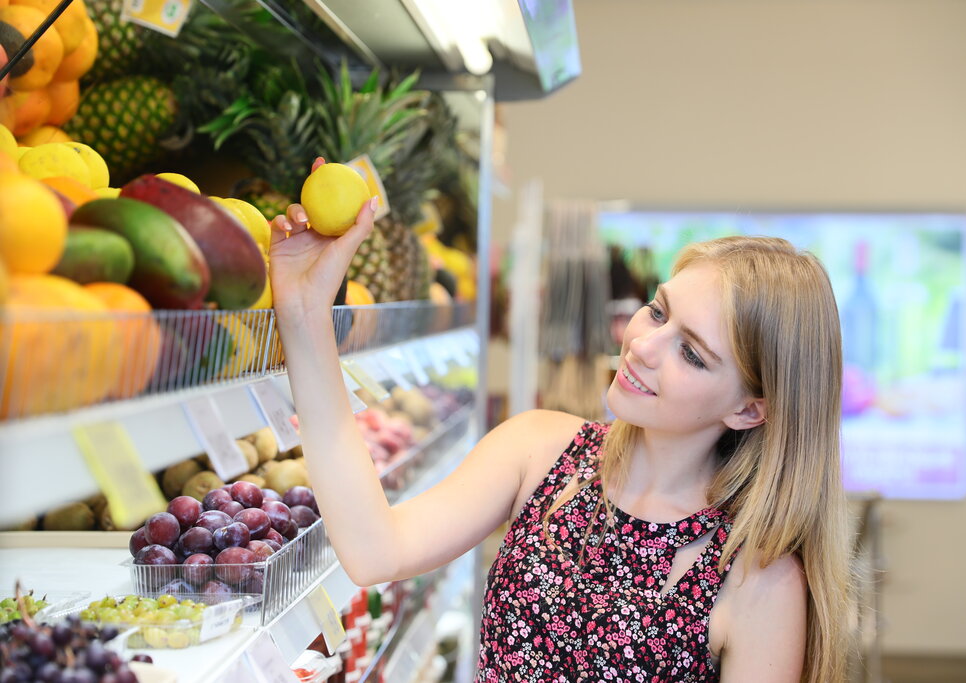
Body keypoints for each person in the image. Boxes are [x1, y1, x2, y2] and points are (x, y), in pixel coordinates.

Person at [271, 162, 852, 682]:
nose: (645, 345)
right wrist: (304, 311)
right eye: (657, 311)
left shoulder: (758, 582)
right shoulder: (542, 451)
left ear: (749, 409)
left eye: (692, 353)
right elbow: (375, 550)